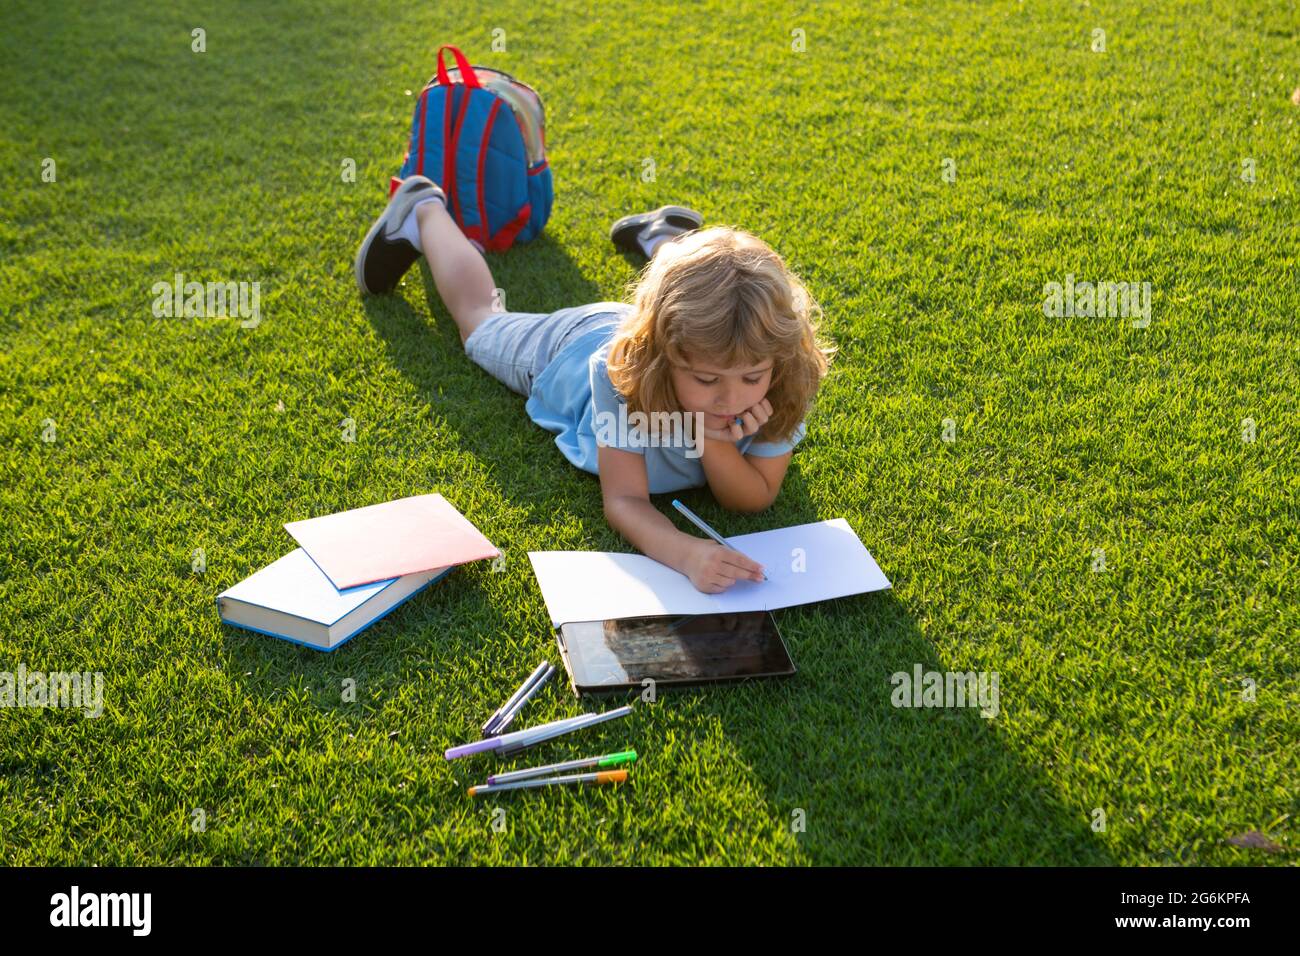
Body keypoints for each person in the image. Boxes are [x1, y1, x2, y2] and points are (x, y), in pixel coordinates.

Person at [355, 176, 834, 593]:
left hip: (669, 322)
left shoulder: (784, 370)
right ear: (664, 361)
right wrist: (686, 553)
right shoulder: (623, 375)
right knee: (480, 321)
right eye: (707, 380)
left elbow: (754, 498)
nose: (732, 398)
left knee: (702, 298)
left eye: (751, 377)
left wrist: (711, 436)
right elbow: (624, 500)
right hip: (572, 346)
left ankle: (664, 238)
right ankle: (424, 209)